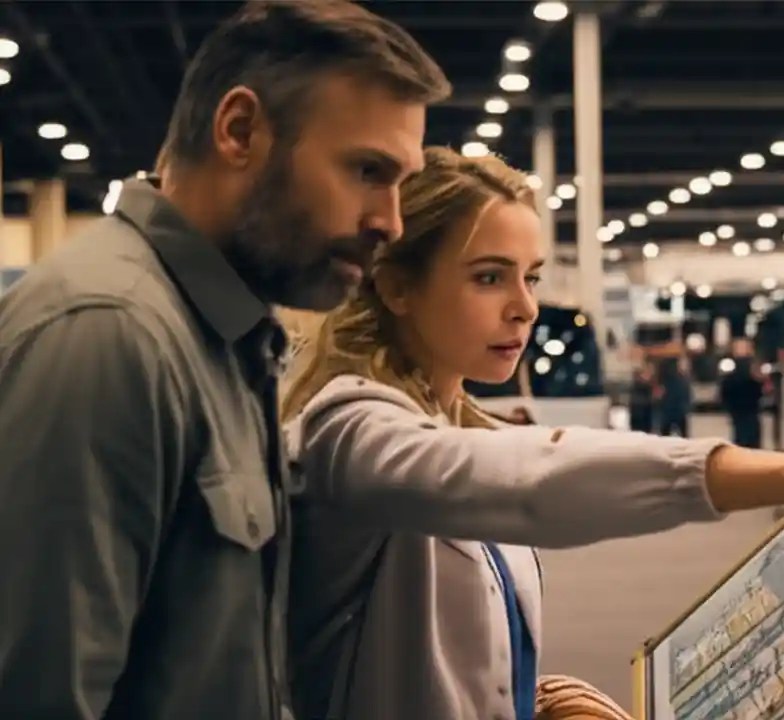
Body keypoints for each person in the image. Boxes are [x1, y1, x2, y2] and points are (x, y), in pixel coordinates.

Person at [280, 147, 784, 720]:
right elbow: (523, 483)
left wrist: (529, 694)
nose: (526, 309)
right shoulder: (344, 428)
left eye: (532, 277)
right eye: (489, 278)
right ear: (397, 285)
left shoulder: (457, 423)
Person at [0, 2, 449, 718]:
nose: (390, 221)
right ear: (240, 131)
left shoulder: (227, 340)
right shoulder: (111, 335)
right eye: (368, 170)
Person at [720, 338, 766, 448]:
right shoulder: (734, 365)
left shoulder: (751, 365)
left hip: (747, 406)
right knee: (744, 435)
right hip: (742, 407)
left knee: (746, 435)